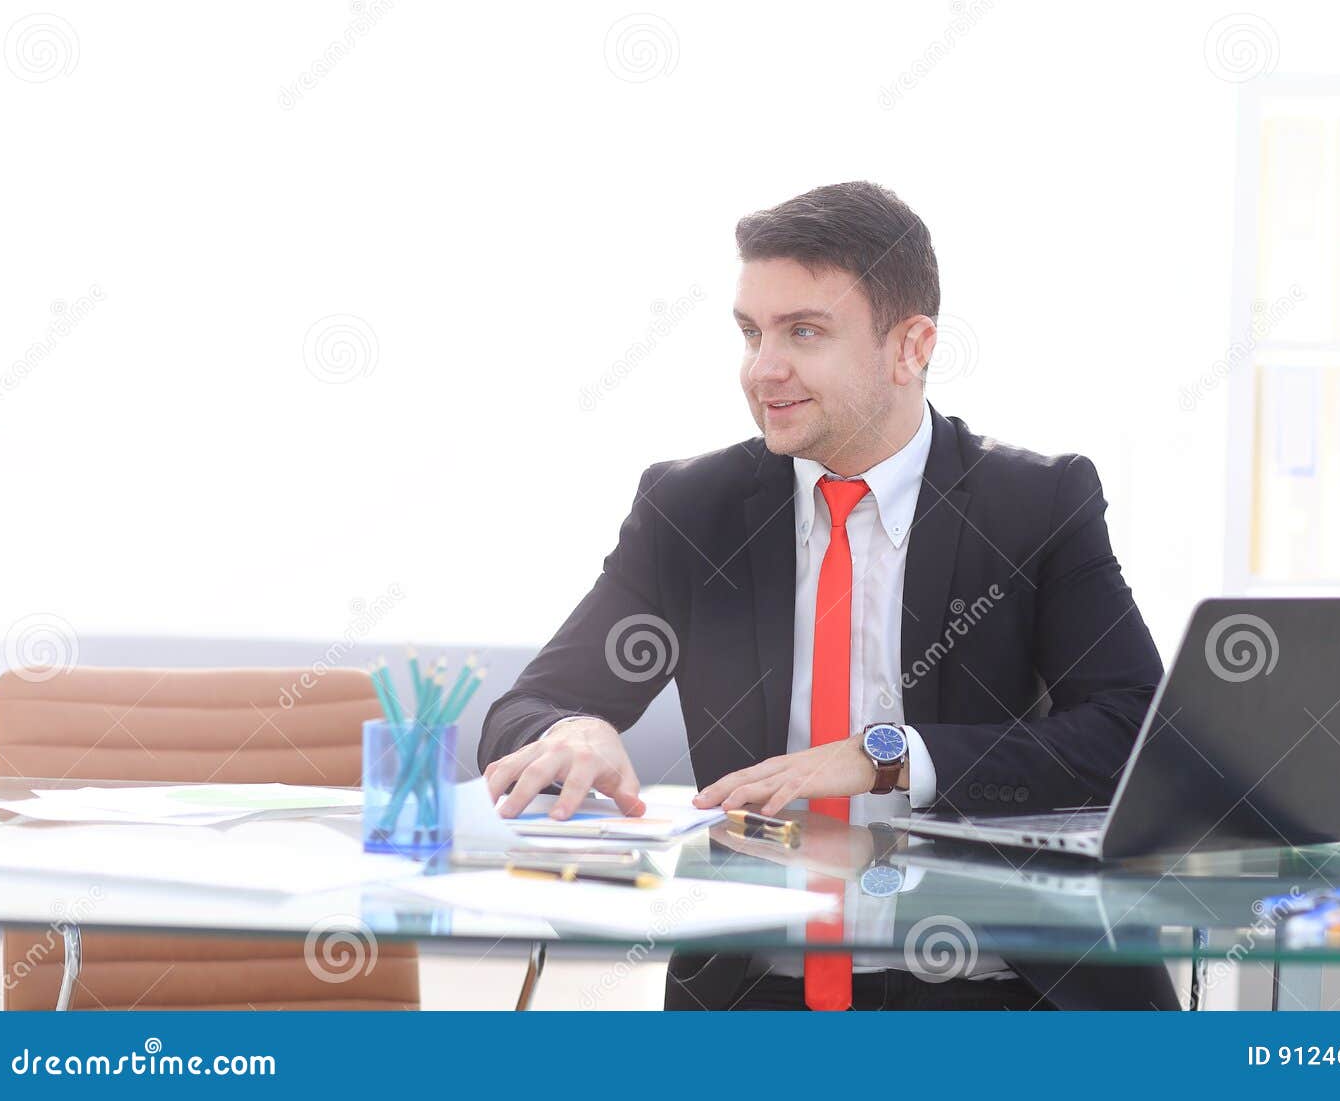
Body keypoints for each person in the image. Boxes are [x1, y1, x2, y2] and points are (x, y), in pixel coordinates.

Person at [479, 181, 1179, 1011]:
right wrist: (572, 728)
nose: (762, 369)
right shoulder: (692, 511)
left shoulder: (1034, 504)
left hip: (996, 991)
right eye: (751, 333)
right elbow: (524, 710)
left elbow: (1139, 731)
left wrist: (892, 756)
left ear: (911, 347)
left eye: (803, 332)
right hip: (759, 999)